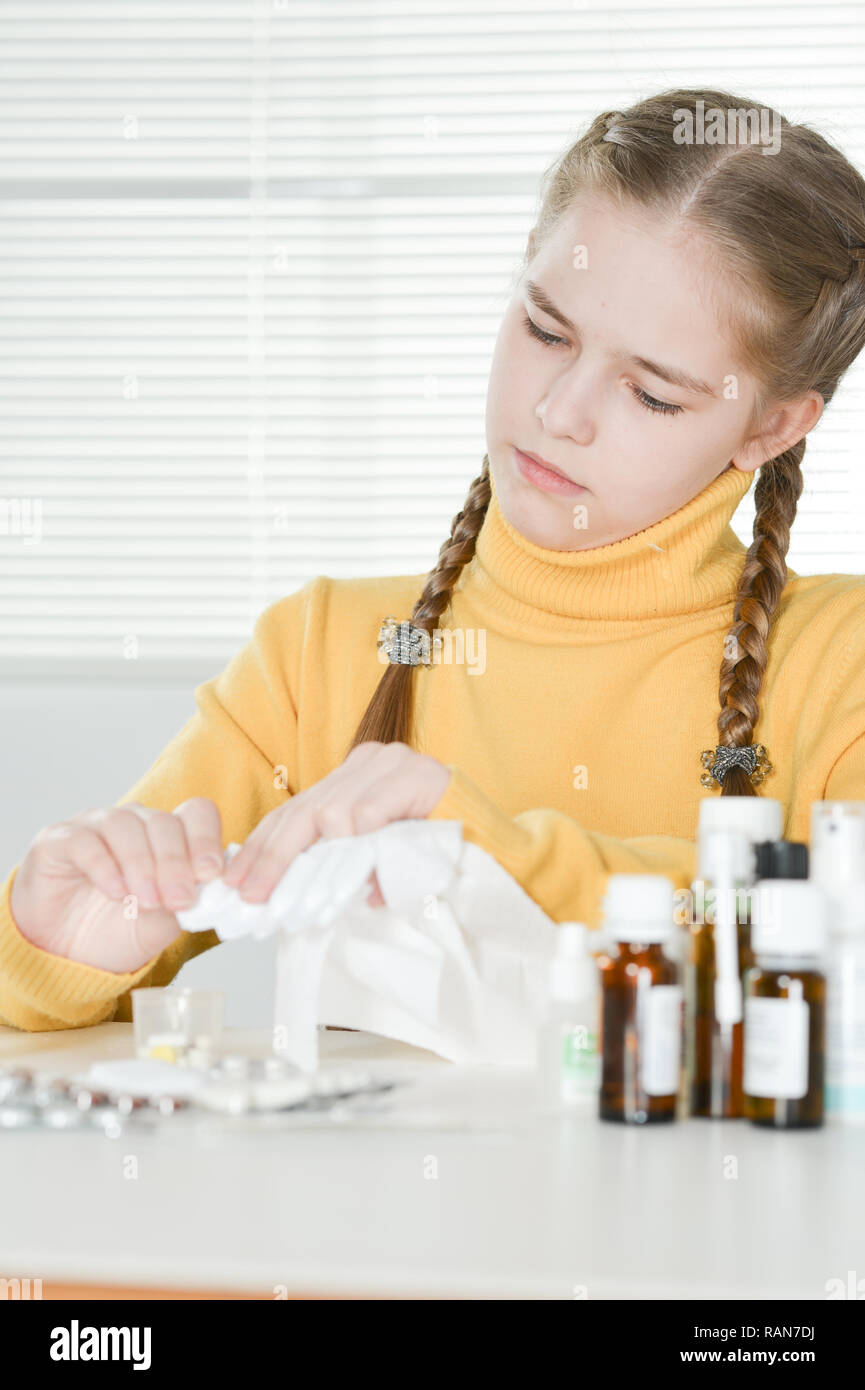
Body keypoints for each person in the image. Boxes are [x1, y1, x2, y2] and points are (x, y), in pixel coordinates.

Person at [3, 87, 865, 1033]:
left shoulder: (839, 663)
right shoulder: (318, 651)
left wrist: (486, 854)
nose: (558, 412)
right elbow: (36, 993)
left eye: (652, 394)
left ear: (772, 426)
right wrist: (54, 945)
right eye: (544, 330)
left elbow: (835, 936)